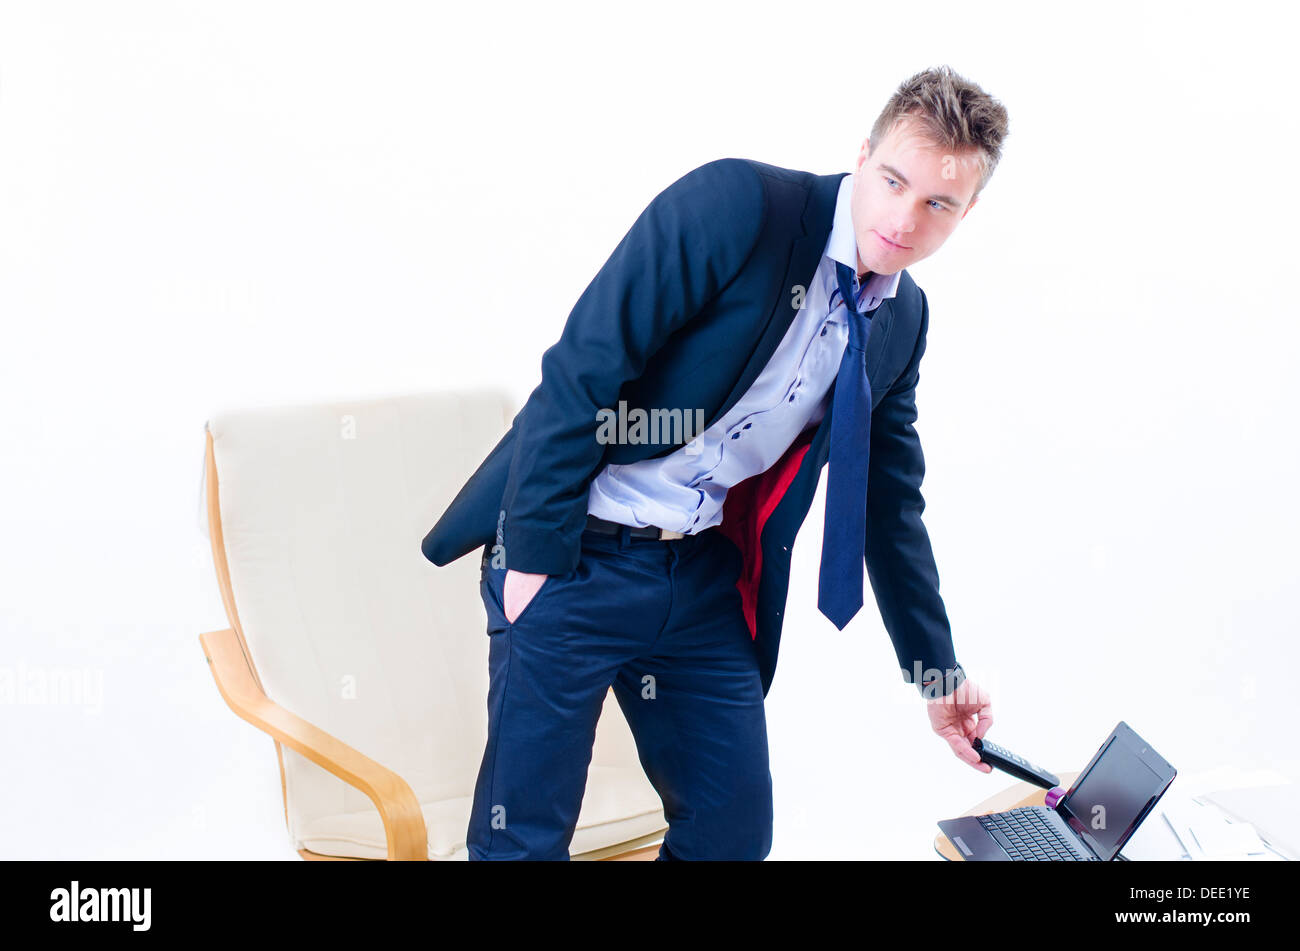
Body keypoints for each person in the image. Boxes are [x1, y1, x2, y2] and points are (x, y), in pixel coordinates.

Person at [422, 65, 1007, 860]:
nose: (904, 218)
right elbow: (582, 368)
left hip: (697, 580)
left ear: (967, 212)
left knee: (730, 835)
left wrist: (937, 675)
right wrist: (530, 562)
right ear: (862, 154)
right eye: (894, 180)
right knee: (522, 840)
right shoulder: (739, 208)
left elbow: (887, 504)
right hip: (573, 554)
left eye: (938, 202)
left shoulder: (902, 319)